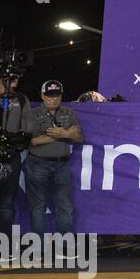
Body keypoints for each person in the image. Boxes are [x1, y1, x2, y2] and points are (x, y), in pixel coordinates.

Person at [22, 80, 83, 240]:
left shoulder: (69, 113)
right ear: (42, 96)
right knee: (38, 206)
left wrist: (67, 134)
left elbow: (79, 137)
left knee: (64, 206)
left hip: (61, 164)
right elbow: (33, 141)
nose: (54, 99)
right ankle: (39, 248)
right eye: (50, 96)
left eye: (57, 95)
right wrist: (63, 134)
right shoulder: (32, 114)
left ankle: (66, 246)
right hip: (37, 164)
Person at [0, 74, 30, 241]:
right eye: (9, 77)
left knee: (6, 204)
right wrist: (0, 98)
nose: (15, 80)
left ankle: (3, 245)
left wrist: (18, 140)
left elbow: (27, 129)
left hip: (10, 156)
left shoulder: (21, 99)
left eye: (15, 77)